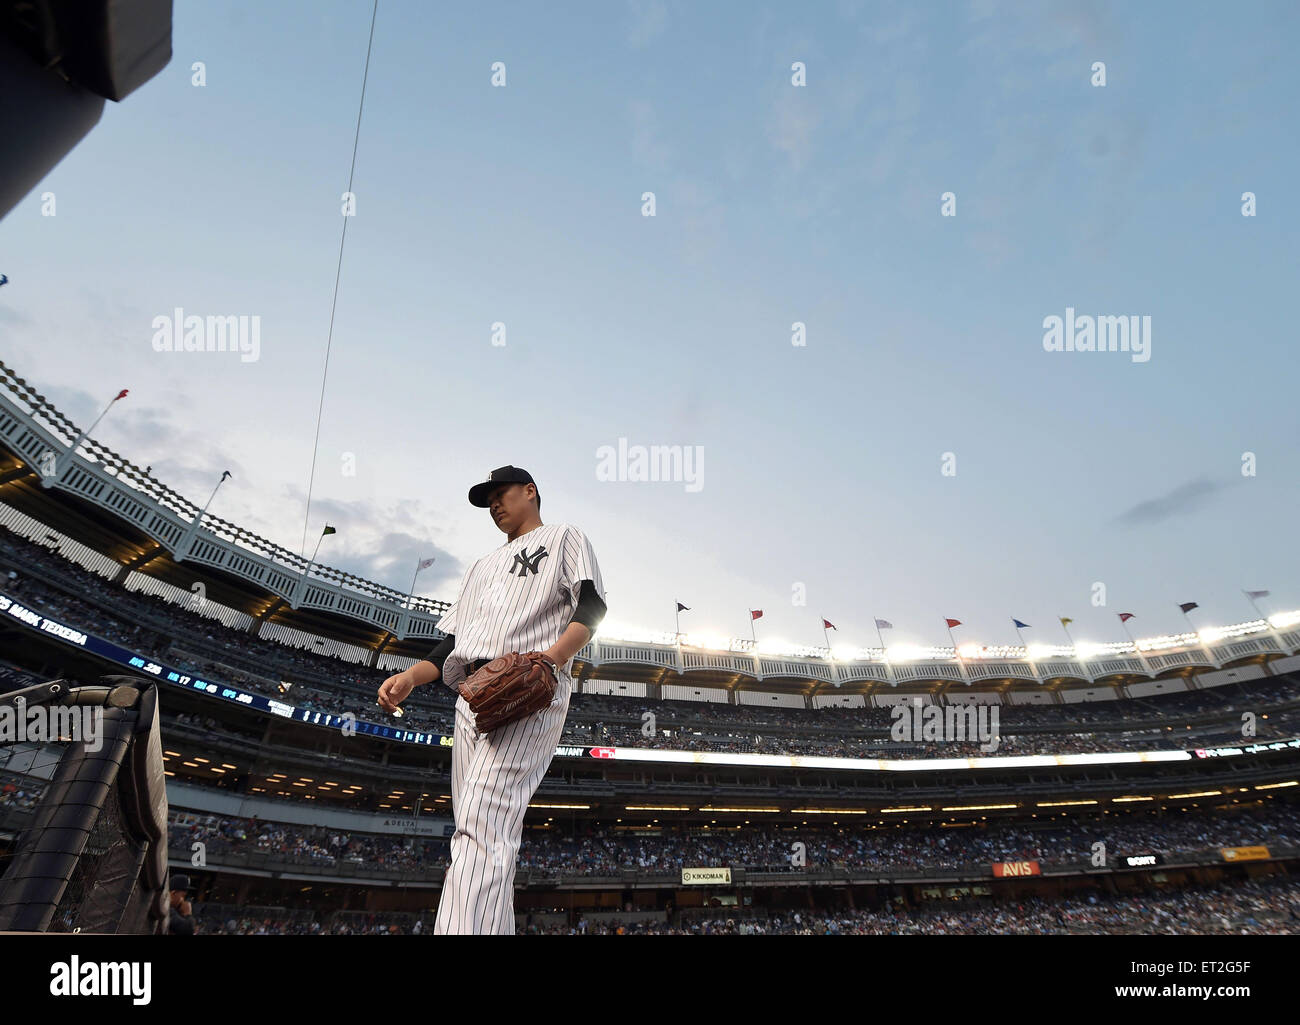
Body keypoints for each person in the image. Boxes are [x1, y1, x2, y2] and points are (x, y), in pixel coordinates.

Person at [378, 466, 606, 934]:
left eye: (501, 494)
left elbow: (592, 605)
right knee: (480, 829)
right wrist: (411, 677)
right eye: (488, 501)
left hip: (527, 686)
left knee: (482, 821)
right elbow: (451, 646)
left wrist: (552, 659)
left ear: (530, 491)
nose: (495, 505)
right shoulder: (481, 567)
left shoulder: (565, 536)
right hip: (471, 693)